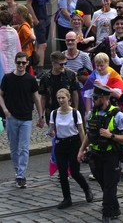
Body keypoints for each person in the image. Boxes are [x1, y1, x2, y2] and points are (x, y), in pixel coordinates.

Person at [81, 80, 123, 222]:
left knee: (109, 185)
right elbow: (89, 135)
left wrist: (111, 136)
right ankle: (115, 208)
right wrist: (81, 150)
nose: (93, 101)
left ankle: (107, 213)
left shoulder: (117, 115)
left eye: (95, 98)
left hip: (111, 155)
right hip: (95, 155)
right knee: (104, 184)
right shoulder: (92, 114)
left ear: (103, 98)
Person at [0, 50, 41, 187]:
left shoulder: (30, 79)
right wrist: (5, 110)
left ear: (27, 63)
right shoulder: (7, 78)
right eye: (19, 62)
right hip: (11, 117)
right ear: (15, 62)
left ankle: (21, 175)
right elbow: (0, 94)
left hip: (27, 118)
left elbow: (36, 98)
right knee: (13, 148)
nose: (21, 65)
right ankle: (18, 171)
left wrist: (40, 116)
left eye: (23, 62)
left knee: (23, 148)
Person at [49, 85, 93, 208]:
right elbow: (52, 129)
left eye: (63, 98)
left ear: (68, 99)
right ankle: (66, 198)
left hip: (73, 144)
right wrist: (51, 132)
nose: (60, 100)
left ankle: (86, 189)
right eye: (58, 98)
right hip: (60, 144)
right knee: (62, 173)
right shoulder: (54, 114)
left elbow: (81, 131)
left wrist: (83, 148)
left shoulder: (75, 113)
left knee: (74, 171)